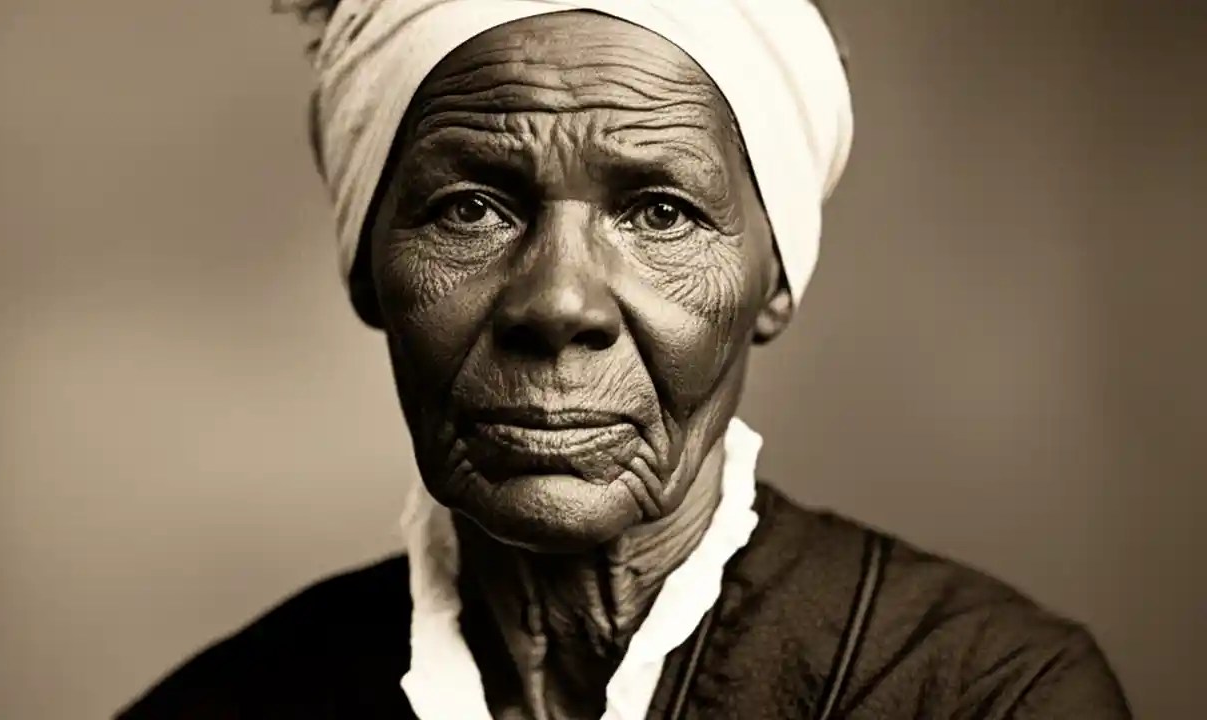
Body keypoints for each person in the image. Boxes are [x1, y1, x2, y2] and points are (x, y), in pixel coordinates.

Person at [118, 1, 1132, 718]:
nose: (556, 302)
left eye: (659, 211)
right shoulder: (226, 707)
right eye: (469, 208)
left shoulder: (980, 694)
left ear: (770, 279)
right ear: (363, 266)